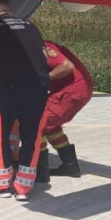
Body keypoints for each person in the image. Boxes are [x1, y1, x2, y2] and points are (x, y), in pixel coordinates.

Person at [0, 0, 50, 202]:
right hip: (37, 89)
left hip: (8, 90)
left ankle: (2, 185)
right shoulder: (31, 26)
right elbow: (43, 56)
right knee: (31, 137)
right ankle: (23, 188)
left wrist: (1, 76)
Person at [40, 40, 94, 178]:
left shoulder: (42, 46)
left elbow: (66, 66)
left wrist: (42, 79)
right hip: (78, 90)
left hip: (71, 91)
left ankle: (39, 171)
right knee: (51, 126)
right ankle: (70, 165)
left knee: (34, 124)